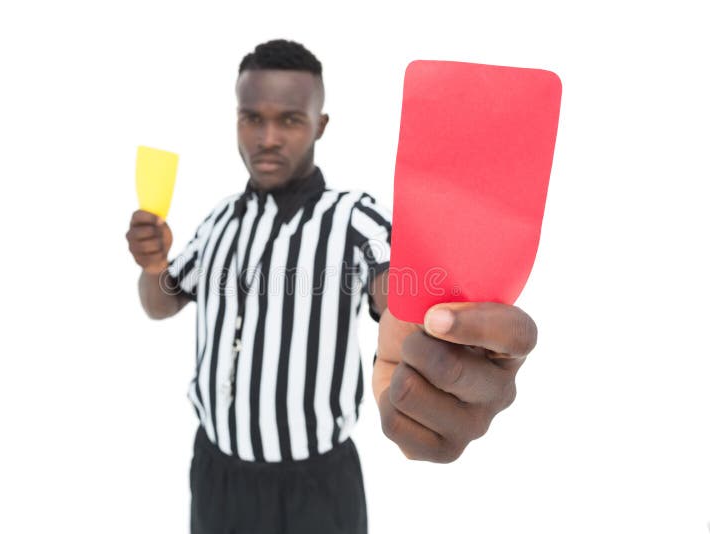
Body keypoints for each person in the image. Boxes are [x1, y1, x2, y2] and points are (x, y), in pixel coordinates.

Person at [126, 39, 537, 534]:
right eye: (252, 118)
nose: (268, 137)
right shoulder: (217, 221)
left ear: (320, 125)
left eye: (291, 119)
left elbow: (394, 286)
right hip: (216, 474)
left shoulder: (353, 219)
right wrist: (154, 267)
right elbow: (163, 302)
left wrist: (438, 321)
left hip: (316, 489)